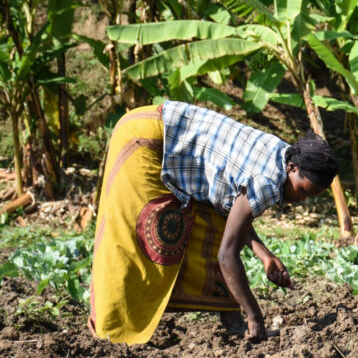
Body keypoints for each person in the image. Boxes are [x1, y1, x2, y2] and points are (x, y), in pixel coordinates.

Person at [89, 101, 338, 344]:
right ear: (292, 168)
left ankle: (233, 324)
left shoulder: (286, 156)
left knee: (215, 228)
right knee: (140, 233)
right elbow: (227, 255)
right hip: (147, 139)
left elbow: (235, 218)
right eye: (303, 191)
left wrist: (264, 255)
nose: (300, 199)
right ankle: (111, 331)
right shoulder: (267, 182)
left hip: (156, 128)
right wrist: (256, 317)